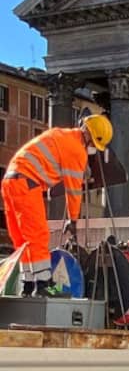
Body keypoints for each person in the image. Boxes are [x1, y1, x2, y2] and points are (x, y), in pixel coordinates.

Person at [1, 114, 113, 297]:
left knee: (23, 239)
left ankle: (28, 284)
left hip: (10, 181)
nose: (92, 148)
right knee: (38, 235)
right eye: (93, 144)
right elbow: (74, 190)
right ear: (89, 137)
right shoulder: (77, 150)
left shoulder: (61, 135)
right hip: (27, 183)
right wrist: (73, 219)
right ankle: (44, 284)